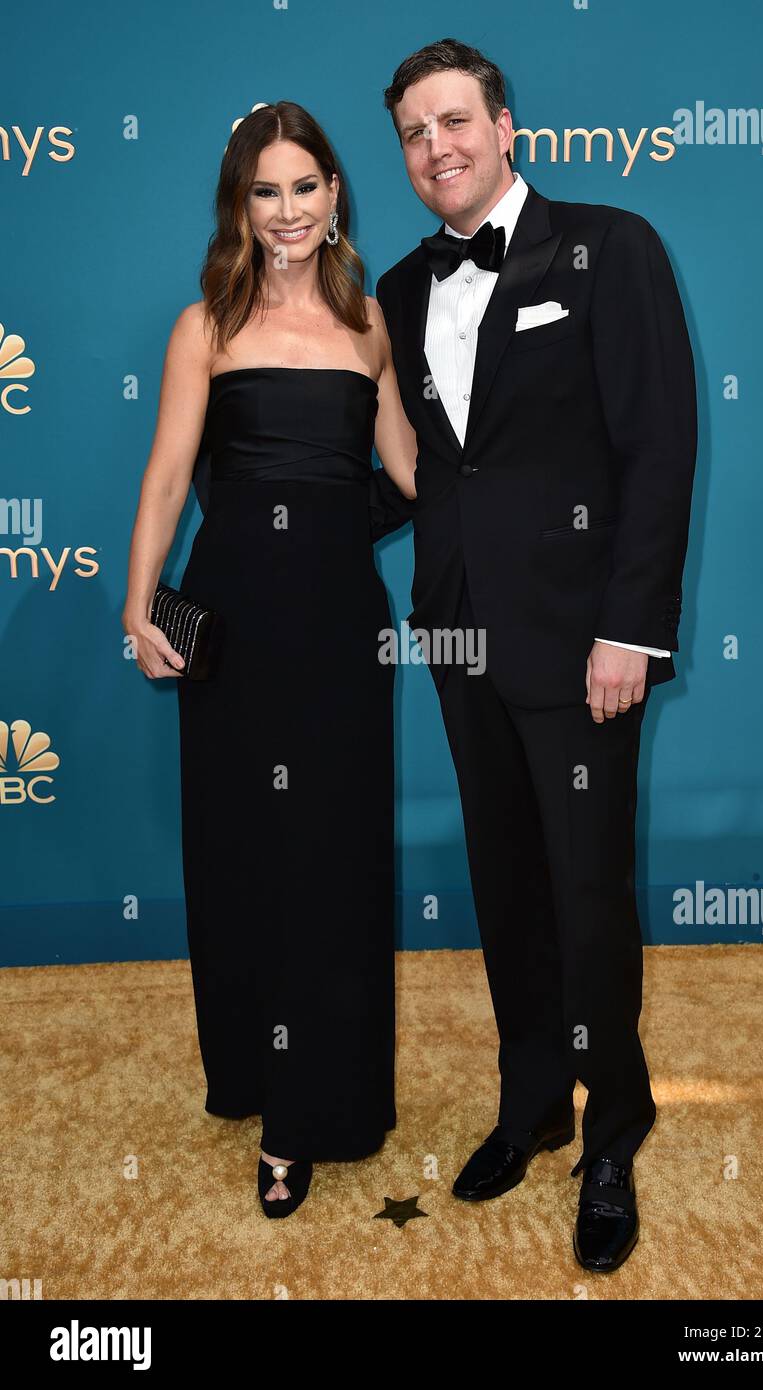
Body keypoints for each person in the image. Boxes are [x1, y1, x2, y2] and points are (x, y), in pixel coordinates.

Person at [376, 38, 697, 1271]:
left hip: (581, 648)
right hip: (456, 636)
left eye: (453, 121)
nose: (435, 148)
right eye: (412, 133)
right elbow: (420, 476)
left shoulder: (609, 248)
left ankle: (613, 1126)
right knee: (504, 886)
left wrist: (631, 627)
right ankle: (529, 1106)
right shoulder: (401, 291)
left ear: (505, 126)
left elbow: (656, 445)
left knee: (585, 891)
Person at [122, 102, 417, 1217]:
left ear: (335, 195)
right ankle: (259, 1085)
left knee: (330, 861)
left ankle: (319, 1109)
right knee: (246, 854)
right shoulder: (204, 326)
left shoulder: (372, 325)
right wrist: (138, 600)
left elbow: (411, 470)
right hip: (236, 626)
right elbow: (164, 477)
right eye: (264, 191)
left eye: (304, 187)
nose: (287, 211)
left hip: (339, 628)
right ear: (238, 206)